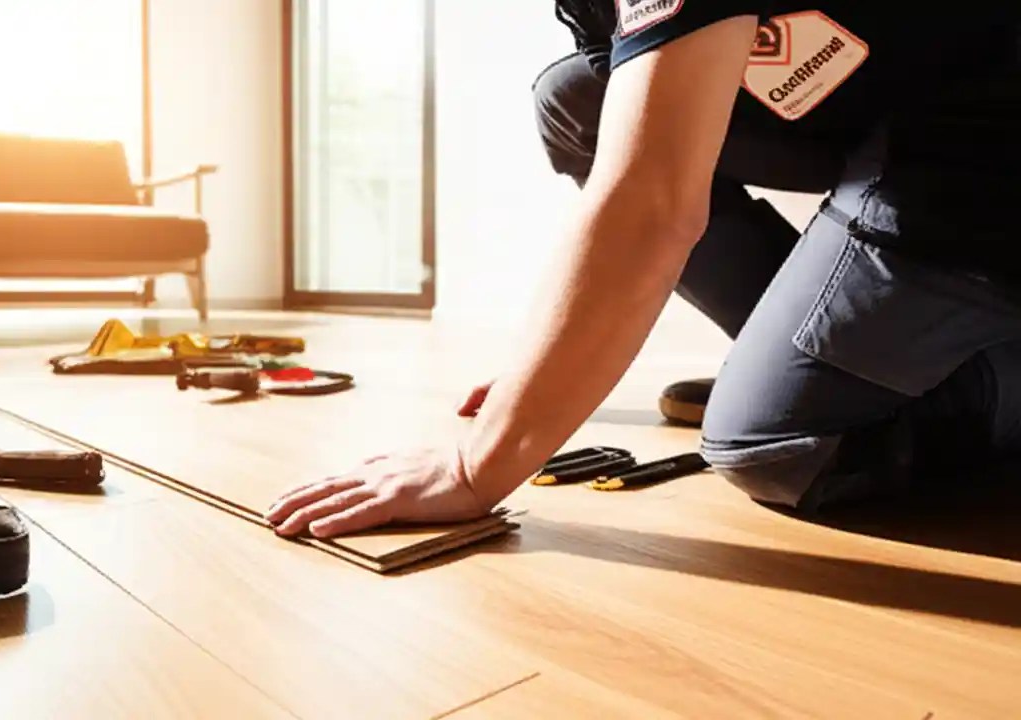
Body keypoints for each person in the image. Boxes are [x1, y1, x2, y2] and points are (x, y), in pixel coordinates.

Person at [266, 2, 1021, 539]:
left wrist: (476, 466)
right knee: (579, 105)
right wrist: (552, 375)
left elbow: (653, 204)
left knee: (773, 445)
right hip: (902, 97)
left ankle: (968, 371)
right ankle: (835, 352)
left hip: (982, 135)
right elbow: (651, 136)